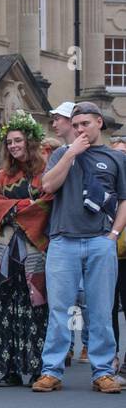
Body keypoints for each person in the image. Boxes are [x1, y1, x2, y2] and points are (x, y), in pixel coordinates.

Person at [33, 102, 126, 392]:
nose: (79, 129)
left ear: (99, 122)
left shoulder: (115, 157)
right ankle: (51, 371)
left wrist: (113, 234)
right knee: (59, 310)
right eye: (75, 125)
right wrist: (71, 153)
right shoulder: (61, 153)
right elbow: (48, 186)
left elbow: (124, 199)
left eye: (85, 124)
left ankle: (102, 372)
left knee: (101, 310)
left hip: (100, 240)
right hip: (63, 240)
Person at [0, 113, 52, 388]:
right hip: (5, 250)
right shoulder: (2, 176)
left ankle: (37, 368)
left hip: (34, 248)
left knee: (35, 306)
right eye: (10, 142)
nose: (13, 145)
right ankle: (10, 370)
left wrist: (13, 209)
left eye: (18, 140)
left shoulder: (45, 172)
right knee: (5, 306)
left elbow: (46, 203)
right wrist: (24, 205)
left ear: (30, 141)